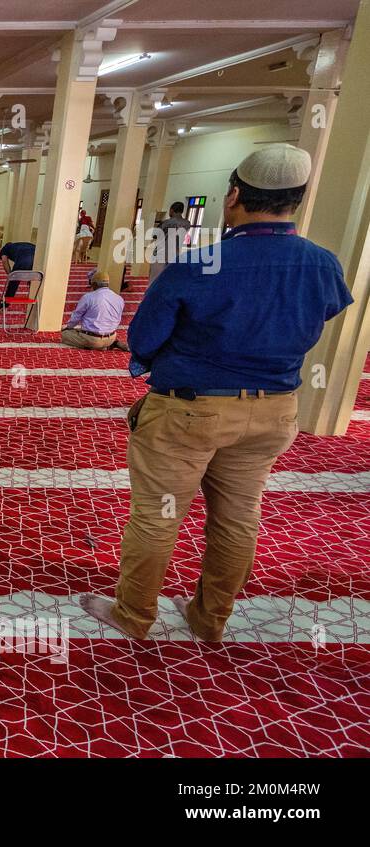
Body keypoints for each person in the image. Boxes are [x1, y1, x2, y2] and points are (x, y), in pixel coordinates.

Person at [81, 145, 352, 643]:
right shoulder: (322, 264)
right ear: (297, 200)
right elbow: (323, 316)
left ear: (234, 196)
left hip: (190, 411)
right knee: (237, 517)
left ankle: (134, 615)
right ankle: (210, 618)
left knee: (159, 516)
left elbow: (142, 339)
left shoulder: (201, 263)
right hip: (272, 413)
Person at [61, 268, 129, 352]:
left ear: (94, 284)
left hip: (92, 339)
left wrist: (68, 327)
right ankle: (111, 343)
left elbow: (76, 317)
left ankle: (95, 346)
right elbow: (118, 319)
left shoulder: (88, 297)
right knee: (81, 331)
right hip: (111, 337)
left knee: (65, 334)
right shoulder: (119, 298)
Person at [148, 201, 193, 282]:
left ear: (172, 210)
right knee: (167, 280)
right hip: (174, 255)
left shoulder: (166, 223)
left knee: (153, 280)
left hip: (160, 254)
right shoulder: (187, 223)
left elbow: (155, 235)